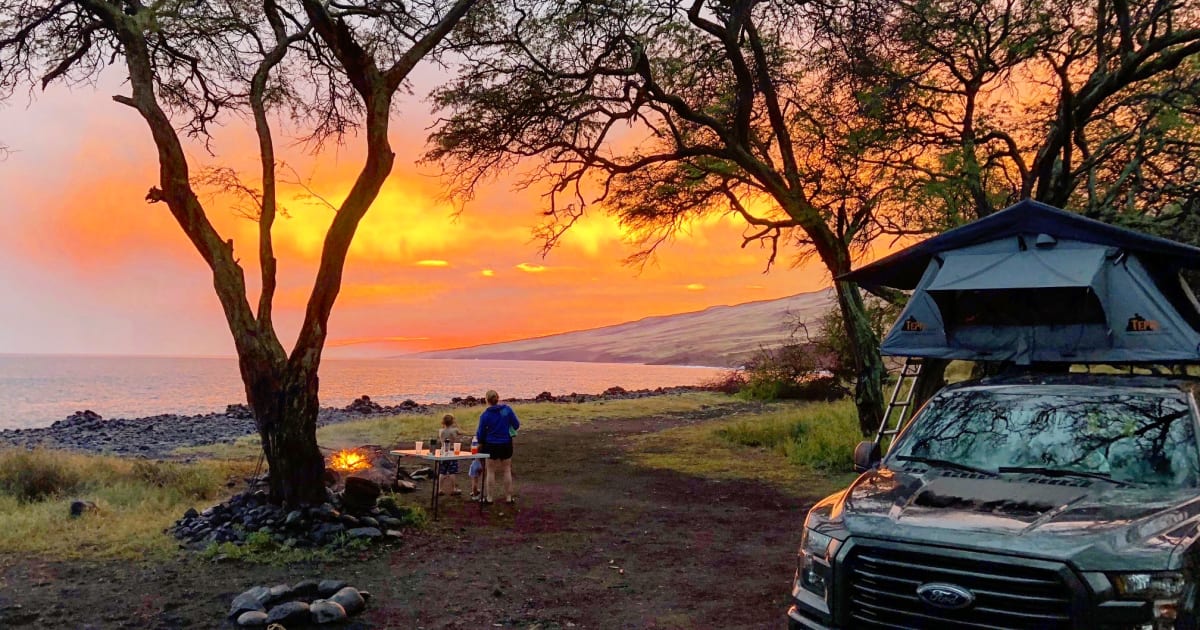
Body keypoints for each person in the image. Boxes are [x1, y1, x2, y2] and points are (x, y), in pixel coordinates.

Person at [476, 389, 519, 504]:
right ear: (498, 398)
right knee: (507, 470)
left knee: (490, 471)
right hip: (506, 443)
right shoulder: (506, 410)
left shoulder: (485, 415)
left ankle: (489, 498)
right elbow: (516, 424)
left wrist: (480, 442)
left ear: (487, 400)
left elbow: (480, 433)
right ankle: (509, 498)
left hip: (491, 445)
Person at [437, 413, 464, 496]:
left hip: (443, 452)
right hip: (452, 451)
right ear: (452, 422)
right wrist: (457, 425)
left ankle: (440, 489)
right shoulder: (454, 430)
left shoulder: (441, 431)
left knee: (442, 471)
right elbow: (461, 432)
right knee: (452, 471)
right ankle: (453, 489)